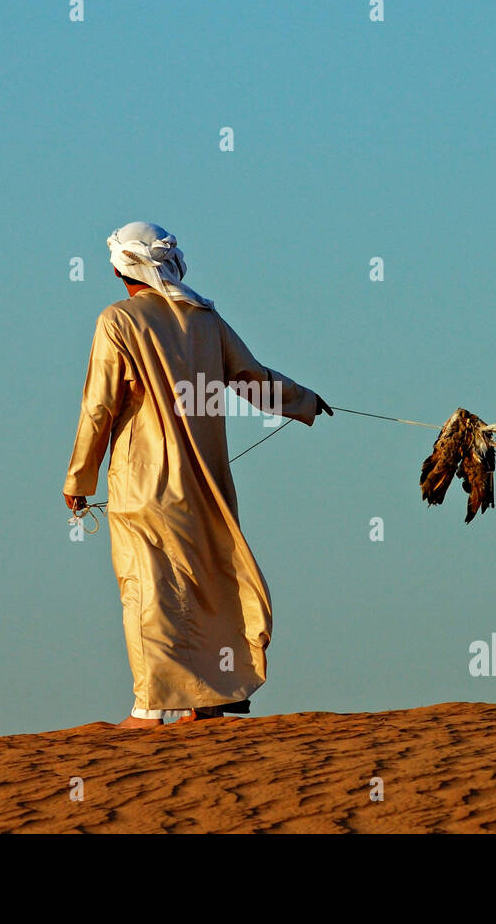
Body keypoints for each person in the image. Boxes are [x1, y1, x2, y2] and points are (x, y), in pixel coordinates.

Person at [63, 221, 331, 729]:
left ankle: (148, 709)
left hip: (145, 484)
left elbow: (99, 407)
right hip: (206, 484)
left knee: (148, 589)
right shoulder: (205, 320)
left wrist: (79, 480)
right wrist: (303, 400)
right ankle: (204, 700)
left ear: (121, 268)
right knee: (204, 588)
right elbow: (251, 377)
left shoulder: (118, 321)